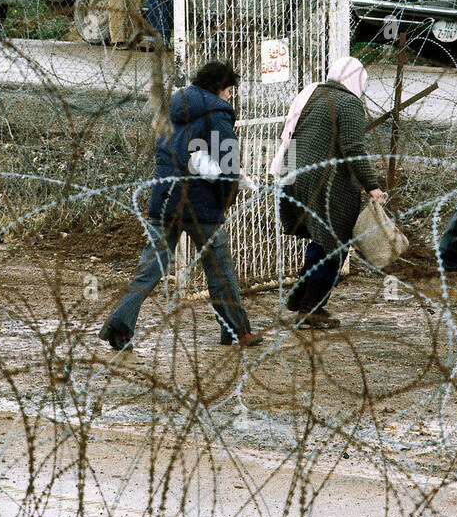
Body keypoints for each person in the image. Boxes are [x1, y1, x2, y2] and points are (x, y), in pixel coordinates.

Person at [100, 60, 260, 351]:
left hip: (164, 200)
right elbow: (228, 163)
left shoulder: (173, 106)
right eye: (228, 91)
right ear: (219, 88)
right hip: (201, 206)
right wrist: (225, 200)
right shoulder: (217, 112)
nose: (228, 97)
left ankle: (119, 327)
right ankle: (237, 331)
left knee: (149, 269)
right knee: (219, 270)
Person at [271, 55, 385, 329]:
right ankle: (310, 308)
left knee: (323, 240)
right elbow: (353, 148)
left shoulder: (312, 94)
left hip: (293, 172)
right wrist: (372, 185)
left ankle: (302, 296)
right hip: (323, 181)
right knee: (334, 243)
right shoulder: (349, 103)